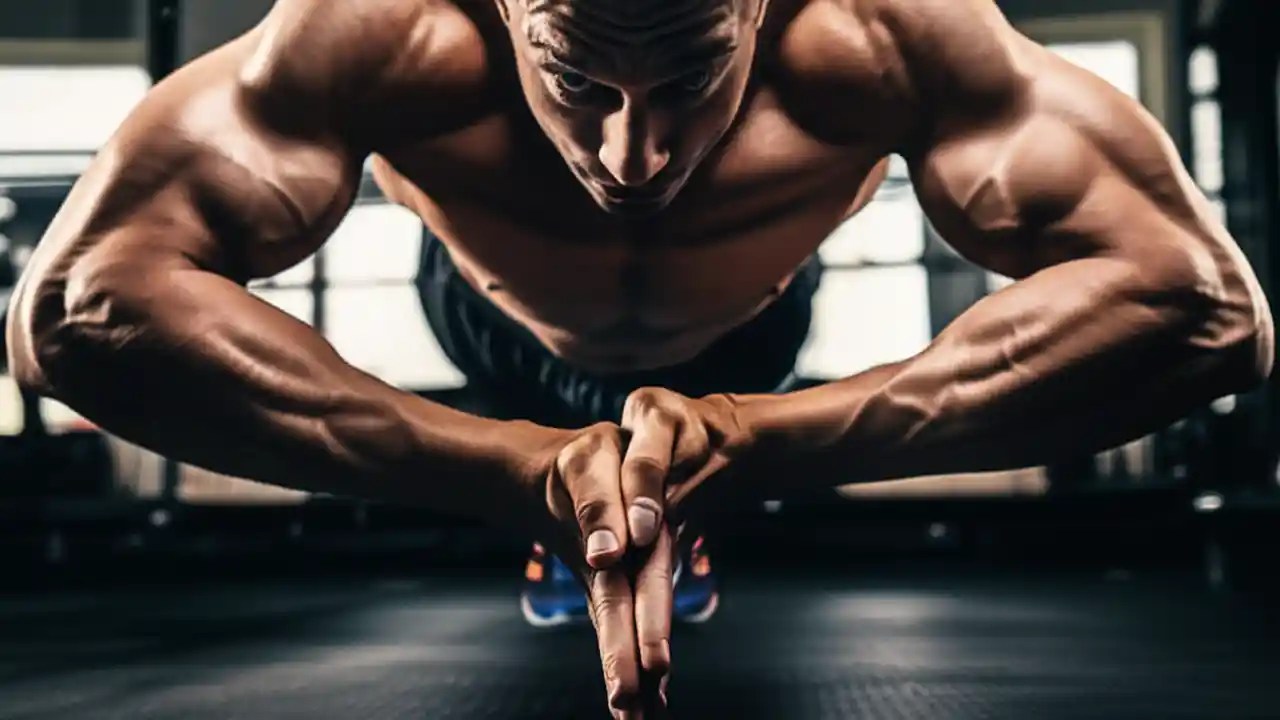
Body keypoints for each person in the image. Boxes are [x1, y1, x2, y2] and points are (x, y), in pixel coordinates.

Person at [5, 0, 1272, 717]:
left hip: (749, 330)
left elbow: (1205, 309)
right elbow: (71, 314)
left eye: (688, 81)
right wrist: (504, 467)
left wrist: (760, 443)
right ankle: (568, 487)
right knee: (542, 441)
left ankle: (681, 467)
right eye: (575, 82)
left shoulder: (888, 35)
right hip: (494, 324)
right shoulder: (372, 35)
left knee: (713, 410)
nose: (632, 158)